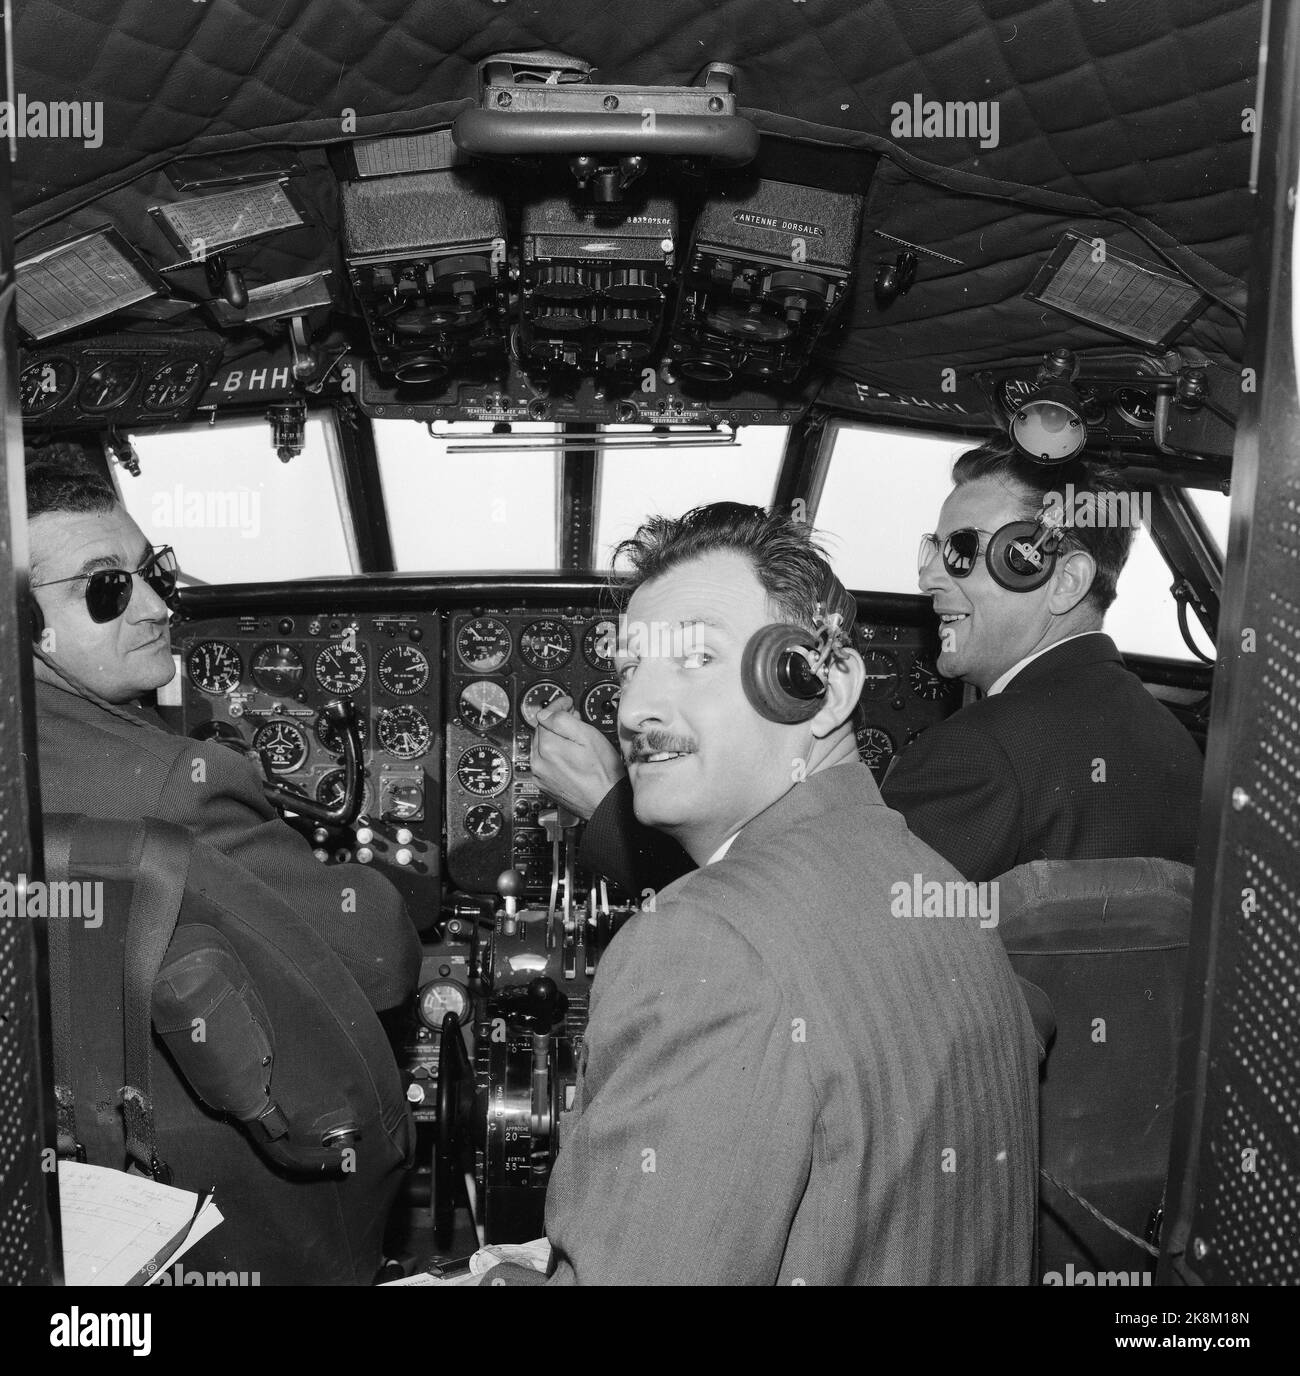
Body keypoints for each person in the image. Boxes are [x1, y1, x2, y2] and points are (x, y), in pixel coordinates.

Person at [511, 503, 1038, 1284]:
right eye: (629, 669)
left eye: (695, 658)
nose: (633, 711)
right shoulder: (942, 887)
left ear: (821, 686)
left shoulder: (704, 943)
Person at [534, 445, 1204, 887]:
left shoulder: (983, 753)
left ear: (1065, 582)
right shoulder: (1176, 738)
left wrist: (608, 808)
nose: (933, 580)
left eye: (965, 554)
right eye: (936, 550)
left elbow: (822, 934)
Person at [23, 447, 419, 1012]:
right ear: (23, 623)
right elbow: (380, 959)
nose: (157, 607)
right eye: (106, 587)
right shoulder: (176, 786)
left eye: (152, 570)